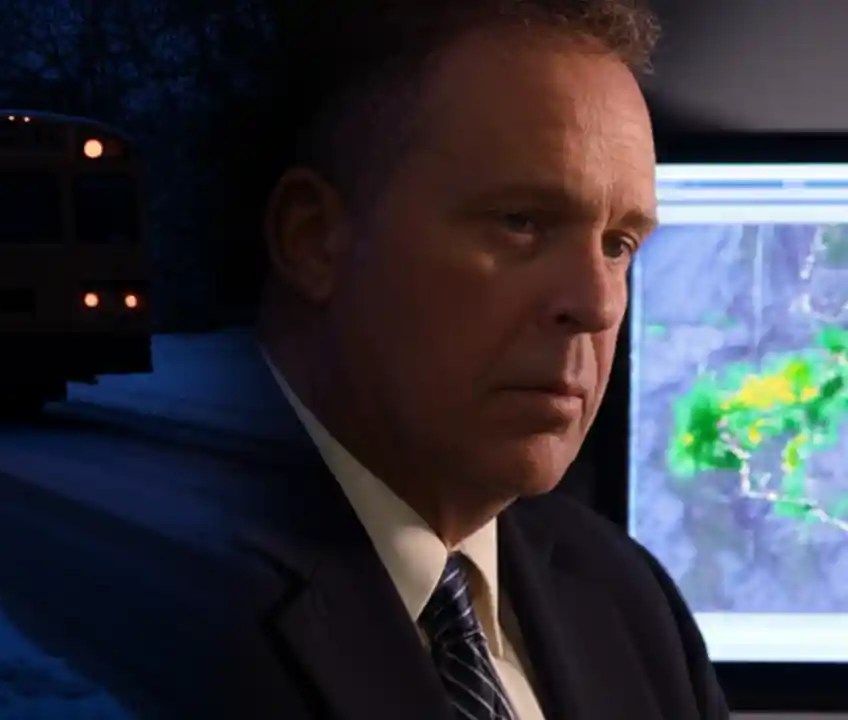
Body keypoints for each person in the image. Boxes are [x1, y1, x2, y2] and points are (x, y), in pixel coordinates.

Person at [205, 1, 734, 718]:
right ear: (314, 239)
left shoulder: (628, 601)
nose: (598, 305)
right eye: (522, 223)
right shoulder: (157, 605)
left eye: (619, 245)